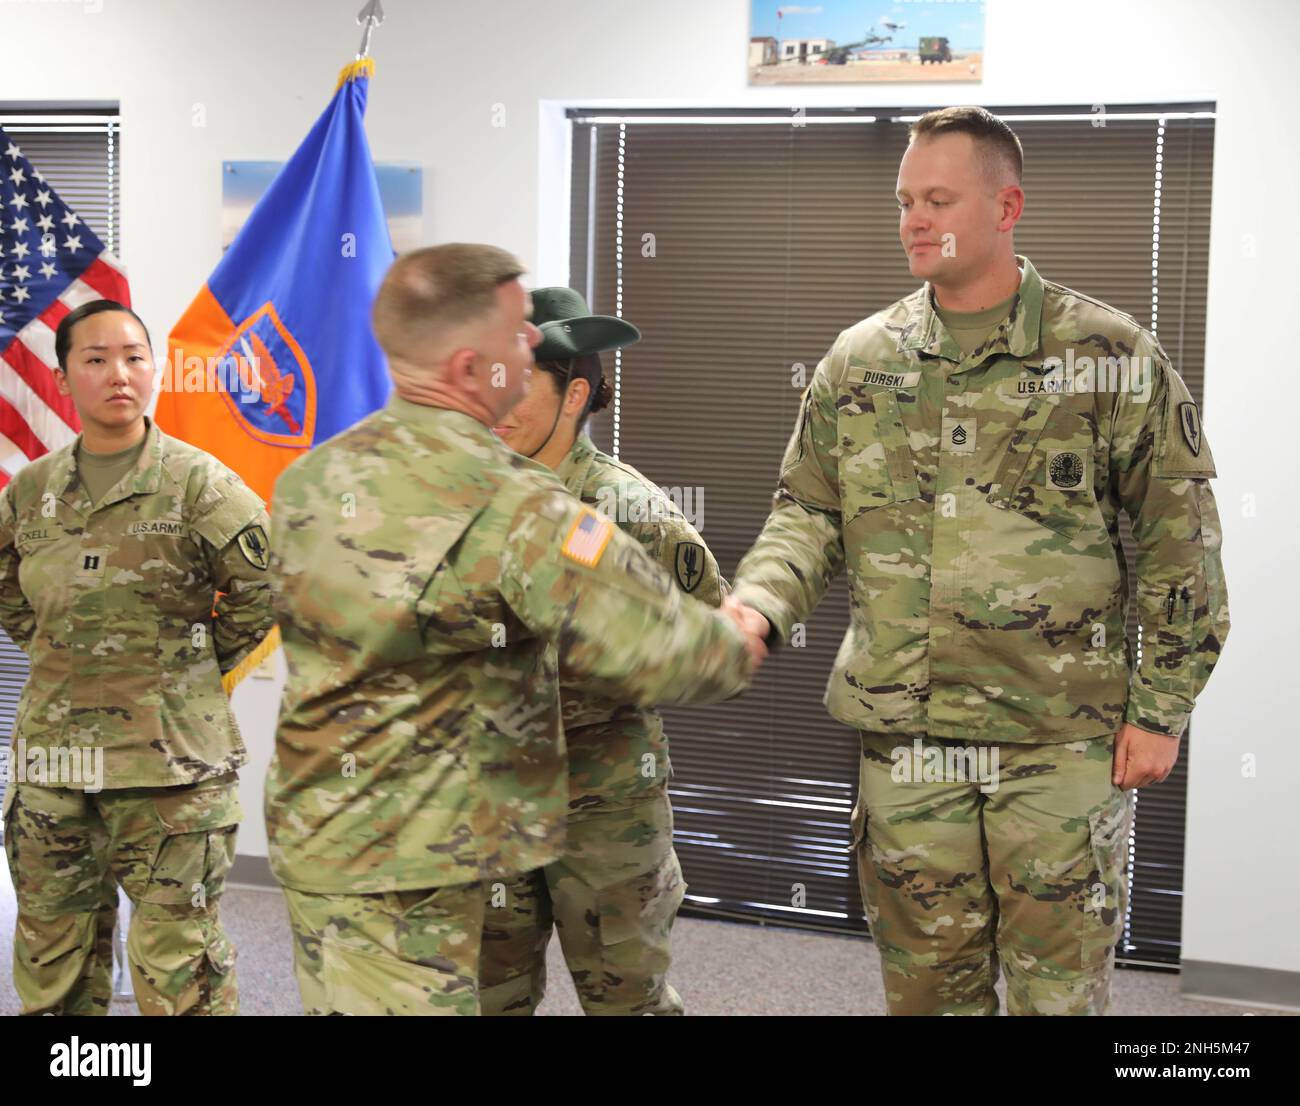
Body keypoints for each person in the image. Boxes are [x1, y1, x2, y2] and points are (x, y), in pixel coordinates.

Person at [728, 106, 1230, 1016]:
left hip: (1058, 741)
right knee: (926, 993)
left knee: (1058, 997)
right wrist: (758, 602)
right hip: (908, 738)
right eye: (904, 200)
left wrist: (1163, 710)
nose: (914, 219)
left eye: (938, 199)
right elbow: (807, 511)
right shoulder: (860, 361)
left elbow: (1178, 540)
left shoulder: (1109, 357)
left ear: (1008, 207)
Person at [265, 245, 764, 1016]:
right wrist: (736, 638)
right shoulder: (514, 504)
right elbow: (678, 652)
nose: (526, 347)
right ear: (472, 367)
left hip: (330, 840)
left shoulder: (309, 479)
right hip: (436, 858)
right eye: (516, 341)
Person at [0, 299, 273, 1015]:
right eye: (95, 359)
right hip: (54, 771)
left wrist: (175, 674)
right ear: (63, 378)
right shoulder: (30, 493)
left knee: (179, 970)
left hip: (171, 772)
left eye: (134, 356)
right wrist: (78, 656)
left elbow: (259, 597)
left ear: (153, 369)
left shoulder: (201, 486)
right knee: (52, 963)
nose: (119, 373)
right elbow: (11, 596)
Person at [480, 288, 724, 1016]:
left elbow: (707, 640)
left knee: (625, 1000)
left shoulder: (634, 513)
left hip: (605, 801)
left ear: (574, 392)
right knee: (482, 997)